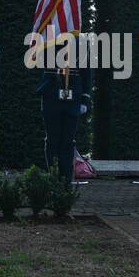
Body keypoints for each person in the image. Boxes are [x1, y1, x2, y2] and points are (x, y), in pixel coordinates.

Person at [37, 58, 92, 186]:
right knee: (52, 140)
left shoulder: (80, 41)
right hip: (51, 93)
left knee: (68, 141)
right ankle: (54, 178)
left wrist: (85, 98)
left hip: (73, 94)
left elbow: (87, 72)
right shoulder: (48, 38)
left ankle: (66, 181)